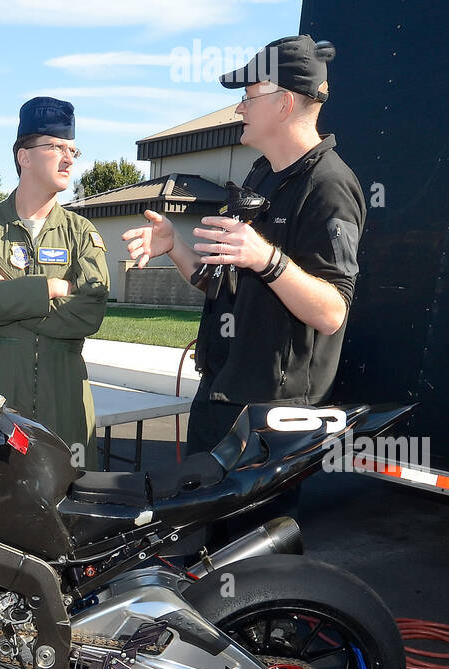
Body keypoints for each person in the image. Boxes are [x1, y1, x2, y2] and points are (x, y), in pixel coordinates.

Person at [122, 36, 365, 458]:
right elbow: (223, 286)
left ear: (284, 103)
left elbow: (331, 313)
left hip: (272, 417)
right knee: (204, 521)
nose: (239, 108)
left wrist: (267, 258)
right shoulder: (261, 175)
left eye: (249, 96)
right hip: (220, 394)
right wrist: (175, 246)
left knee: (254, 527)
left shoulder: (329, 187)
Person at [0, 97, 109, 467]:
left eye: (73, 149)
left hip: (66, 400)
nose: (69, 158)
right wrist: (54, 288)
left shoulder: (81, 232)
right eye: (56, 147)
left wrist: (8, 290)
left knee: (73, 508)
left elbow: (91, 312)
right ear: (24, 156)